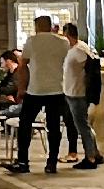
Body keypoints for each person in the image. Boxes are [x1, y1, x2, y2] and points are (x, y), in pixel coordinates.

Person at [9, 17, 72, 174]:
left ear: (37, 26)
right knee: (54, 127)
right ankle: (51, 163)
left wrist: (21, 88)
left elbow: (23, 65)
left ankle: (23, 162)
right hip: (57, 89)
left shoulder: (32, 41)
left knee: (25, 124)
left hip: (35, 89)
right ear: (50, 26)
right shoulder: (63, 42)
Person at [59, 22, 104, 169]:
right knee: (84, 125)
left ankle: (90, 158)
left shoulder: (78, 51)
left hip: (77, 93)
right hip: (72, 91)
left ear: (67, 35)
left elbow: (89, 69)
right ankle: (95, 153)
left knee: (82, 126)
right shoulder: (79, 48)